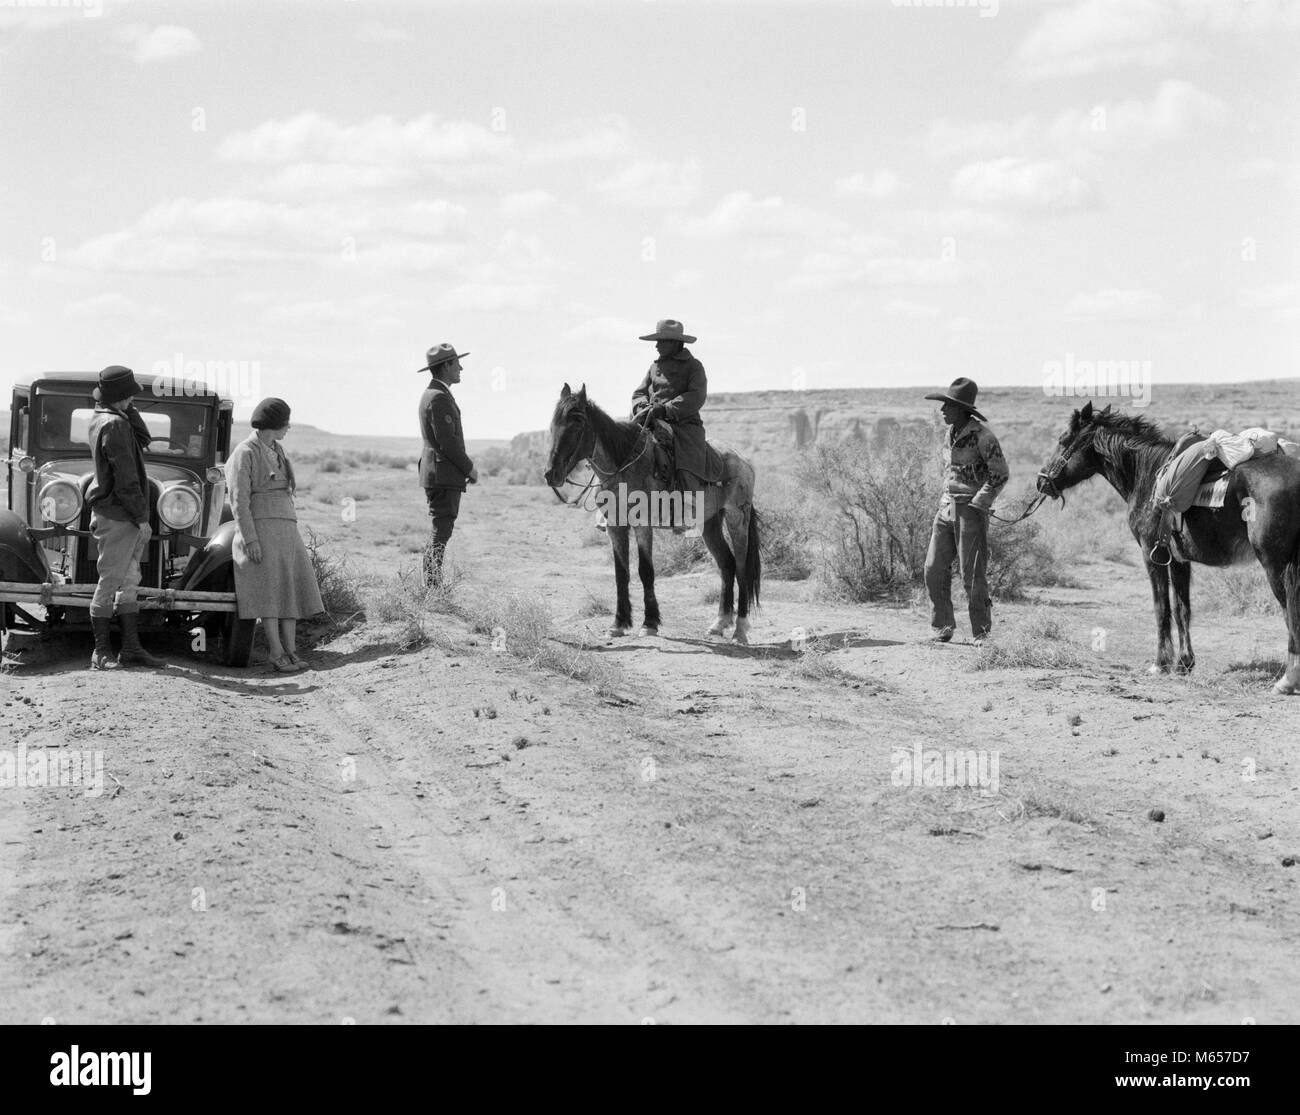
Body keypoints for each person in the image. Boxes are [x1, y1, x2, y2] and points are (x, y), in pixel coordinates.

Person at [225, 398, 324, 673]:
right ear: (272, 424)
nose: (288, 428)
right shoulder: (245, 453)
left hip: (286, 532)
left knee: (288, 592)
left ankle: (291, 650)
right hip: (262, 532)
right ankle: (275, 652)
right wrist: (250, 539)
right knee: (269, 594)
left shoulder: (277, 450)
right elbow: (238, 501)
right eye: (284, 423)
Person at [85, 365, 166, 670]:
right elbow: (127, 479)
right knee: (111, 580)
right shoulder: (115, 425)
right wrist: (142, 518)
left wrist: (126, 406)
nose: (134, 397)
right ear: (120, 395)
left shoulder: (105, 420)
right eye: (130, 393)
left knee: (129, 578)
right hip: (121, 514)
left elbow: (142, 438)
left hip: (117, 513)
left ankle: (130, 649)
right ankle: (101, 652)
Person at [922, 378, 1009, 646]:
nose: (942, 411)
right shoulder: (949, 434)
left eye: (947, 406)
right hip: (946, 508)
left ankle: (981, 633)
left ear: (962, 409)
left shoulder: (984, 437)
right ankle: (942, 627)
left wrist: (979, 502)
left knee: (972, 574)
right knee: (933, 568)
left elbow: (1000, 474)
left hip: (970, 511)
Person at [630, 319, 707, 532]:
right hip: (650, 421)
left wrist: (665, 409)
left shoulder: (694, 366)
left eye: (661, 342)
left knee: (687, 459)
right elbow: (639, 392)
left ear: (675, 343)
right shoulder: (654, 367)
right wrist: (643, 406)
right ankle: (609, 509)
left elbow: (696, 396)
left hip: (683, 424)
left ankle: (687, 513)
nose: (656, 346)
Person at [417, 343, 477, 585]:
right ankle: (432, 588)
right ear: (446, 367)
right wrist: (469, 468)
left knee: (441, 530)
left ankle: (432, 586)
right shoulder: (439, 397)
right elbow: (447, 442)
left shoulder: (435, 394)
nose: (461, 368)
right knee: (441, 531)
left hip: (439, 473)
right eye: (456, 363)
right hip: (442, 473)